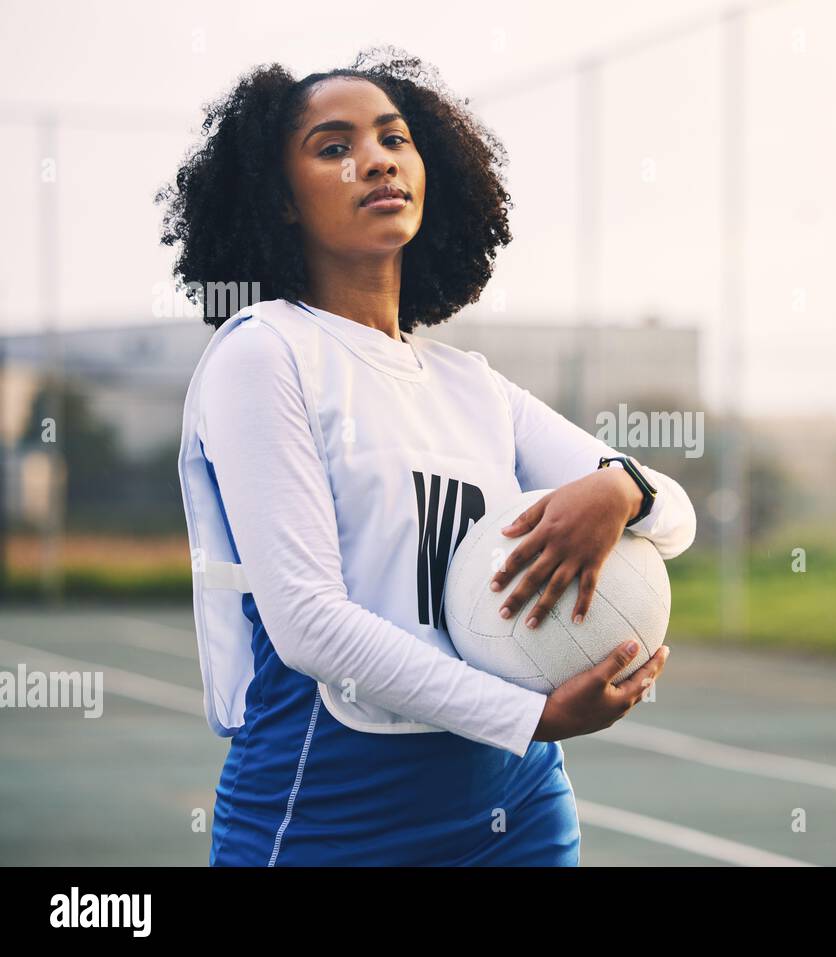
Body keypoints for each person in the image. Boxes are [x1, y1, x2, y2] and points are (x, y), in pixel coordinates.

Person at [158, 47, 697, 866]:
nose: (374, 158)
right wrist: (533, 717)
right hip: (334, 807)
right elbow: (308, 625)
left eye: (393, 138)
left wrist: (619, 489)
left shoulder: (470, 386)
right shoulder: (265, 354)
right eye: (333, 147)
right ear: (281, 201)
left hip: (516, 807)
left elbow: (677, 517)